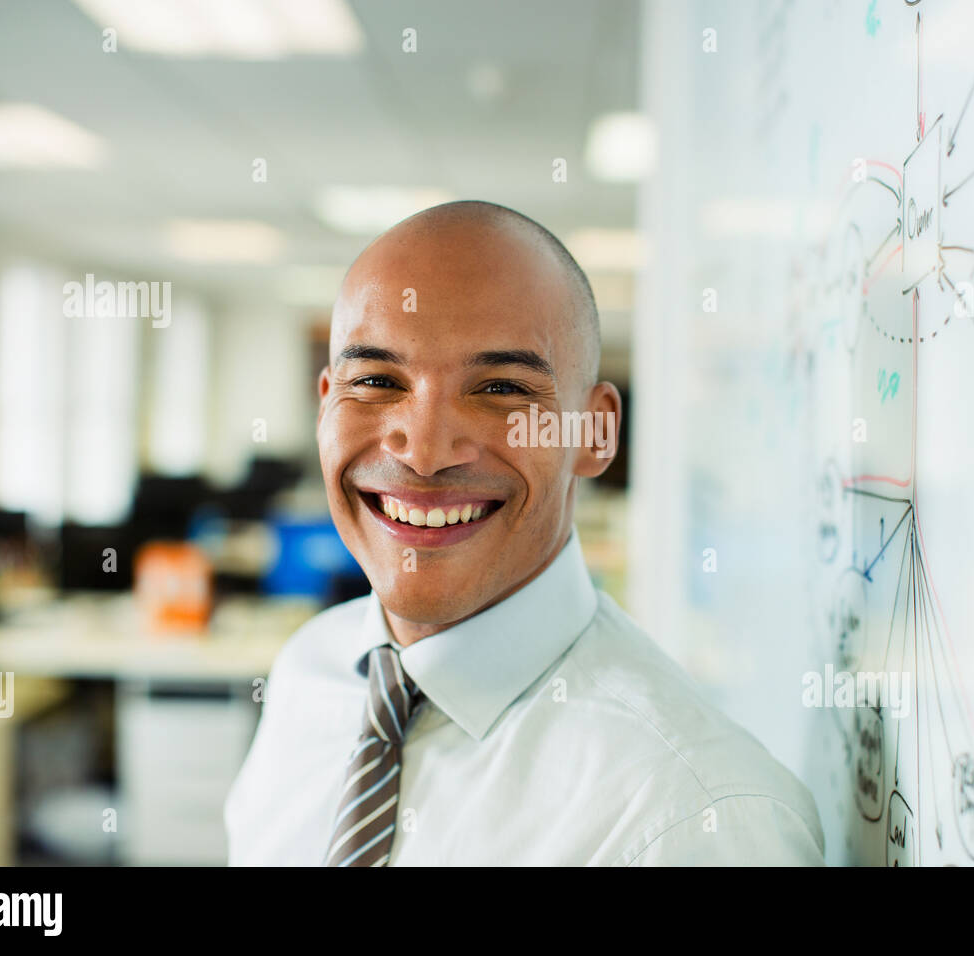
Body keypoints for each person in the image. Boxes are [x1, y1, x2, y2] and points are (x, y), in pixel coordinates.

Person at [224, 200, 825, 865]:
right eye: (375, 380)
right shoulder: (310, 671)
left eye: (501, 388)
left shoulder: (692, 815)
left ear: (596, 431)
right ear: (325, 408)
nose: (424, 451)